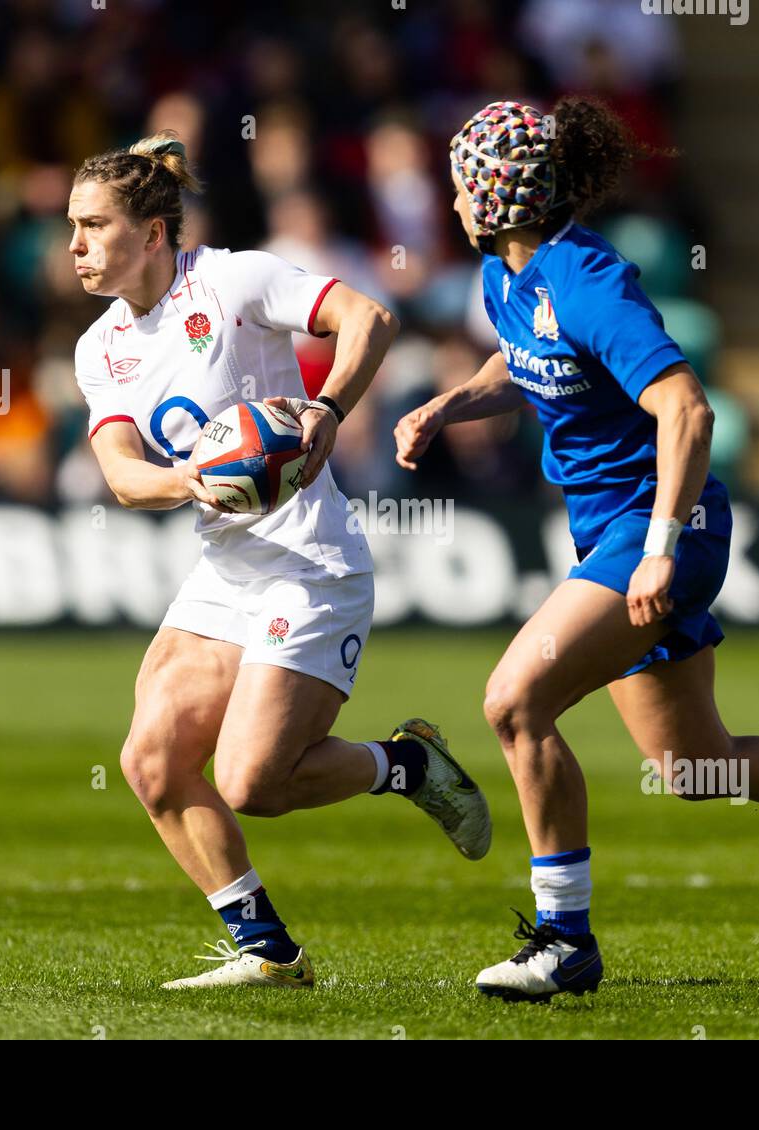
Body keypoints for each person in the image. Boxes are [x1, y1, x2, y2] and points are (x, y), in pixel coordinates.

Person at [395, 99, 759, 1002]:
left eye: (458, 187)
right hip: (615, 533)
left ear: (497, 198)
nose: (449, 205)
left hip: (660, 529)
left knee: (515, 702)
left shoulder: (590, 279)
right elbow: (525, 363)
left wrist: (660, 548)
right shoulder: (504, 278)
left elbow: (687, 408)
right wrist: (451, 404)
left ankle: (564, 940)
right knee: (693, 767)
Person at [69, 132, 491, 990]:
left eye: (93, 226)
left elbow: (370, 317)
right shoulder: (98, 348)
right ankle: (267, 950)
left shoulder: (230, 280)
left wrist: (329, 409)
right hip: (226, 566)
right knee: (150, 761)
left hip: (310, 563)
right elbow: (119, 472)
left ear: (152, 234)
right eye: (70, 227)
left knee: (252, 781)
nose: (74, 246)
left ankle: (405, 764)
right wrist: (188, 481)